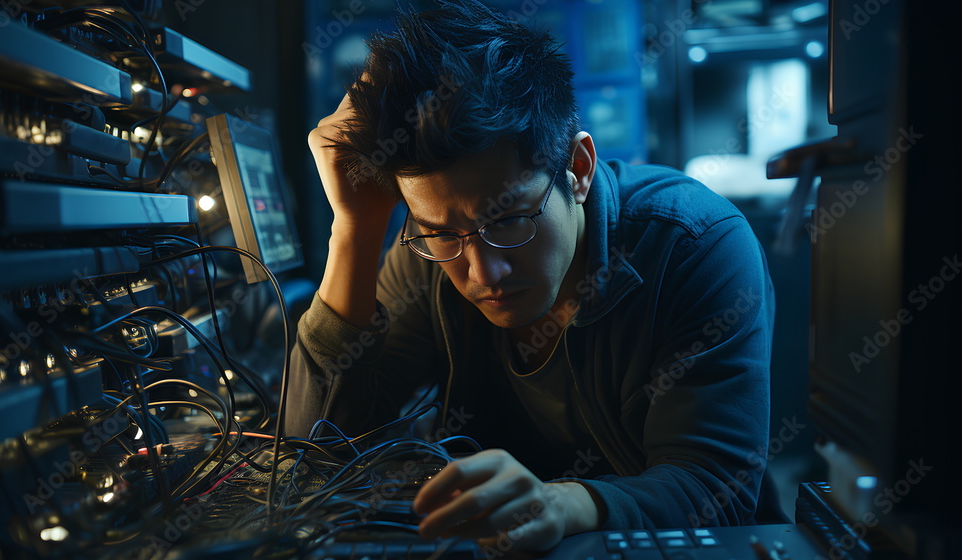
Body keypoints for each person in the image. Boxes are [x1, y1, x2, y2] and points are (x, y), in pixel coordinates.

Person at [285, 0, 782, 552]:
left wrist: (566, 503)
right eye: (441, 232)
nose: (483, 270)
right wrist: (355, 225)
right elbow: (316, 458)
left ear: (578, 168)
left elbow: (718, 491)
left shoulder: (694, 244)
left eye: (509, 218)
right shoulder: (427, 253)